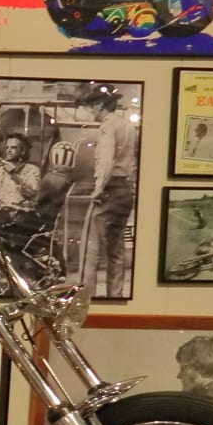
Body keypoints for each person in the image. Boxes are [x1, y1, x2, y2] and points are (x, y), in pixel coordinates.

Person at [77, 83, 137, 298]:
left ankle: (86, 297)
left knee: (90, 248)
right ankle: (115, 295)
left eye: (92, 106)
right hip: (125, 190)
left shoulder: (107, 127)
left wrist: (98, 189)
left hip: (109, 189)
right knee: (116, 249)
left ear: (100, 105)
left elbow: (106, 161)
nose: (91, 110)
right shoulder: (128, 127)